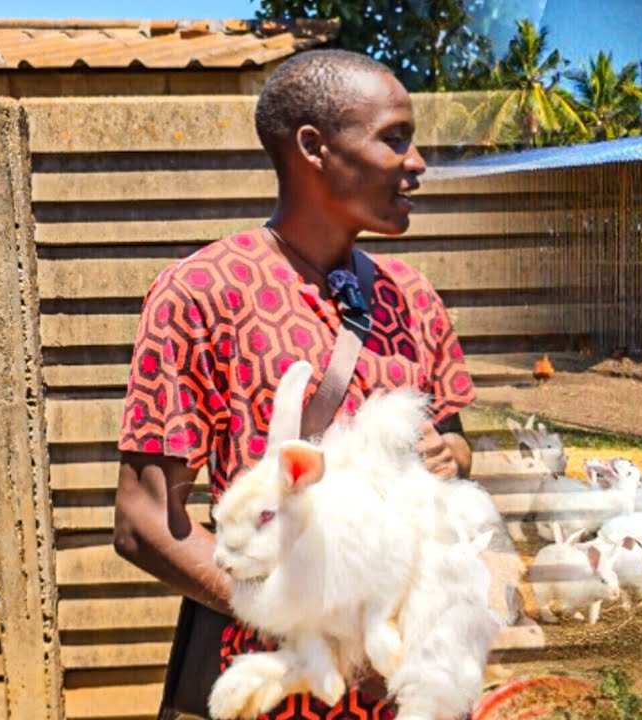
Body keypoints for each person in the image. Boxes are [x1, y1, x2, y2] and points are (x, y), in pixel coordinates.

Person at [112, 49, 476, 720]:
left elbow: (454, 442)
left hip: (405, 680)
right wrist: (316, 627)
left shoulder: (414, 299)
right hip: (278, 682)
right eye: (395, 137)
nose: (417, 162)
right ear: (314, 147)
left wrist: (451, 454)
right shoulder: (203, 294)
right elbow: (145, 523)